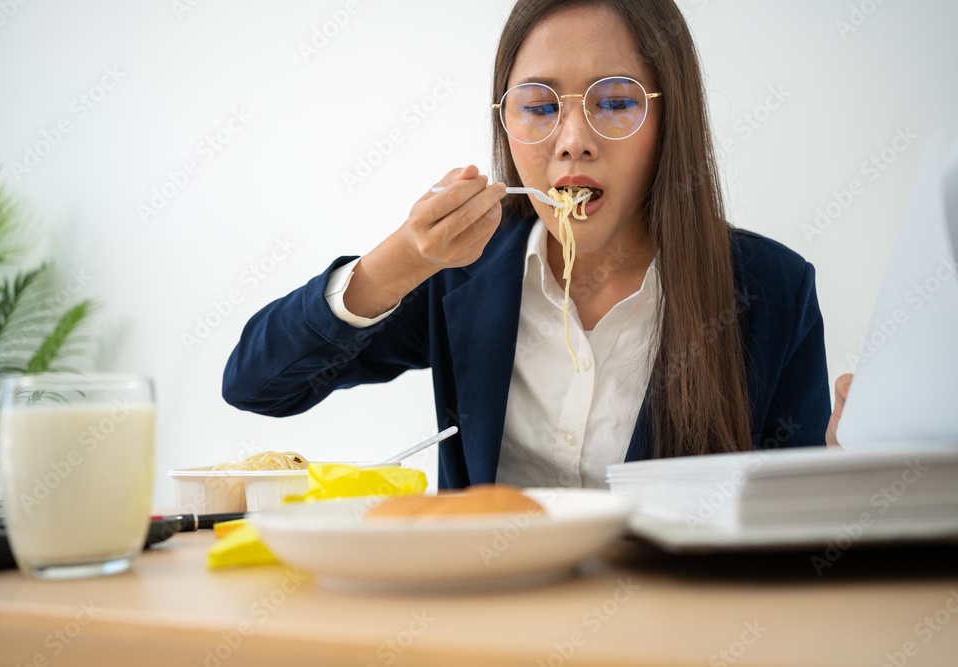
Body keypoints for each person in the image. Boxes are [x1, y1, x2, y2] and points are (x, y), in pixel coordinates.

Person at [223, 0, 847, 489]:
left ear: (669, 118)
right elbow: (257, 385)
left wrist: (846, 477)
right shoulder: (461, 276)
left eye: (616, 101)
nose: (573, 138)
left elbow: (796, 537)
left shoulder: (772, 291)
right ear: (506, 119)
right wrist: (404, 260)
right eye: (539, 107)